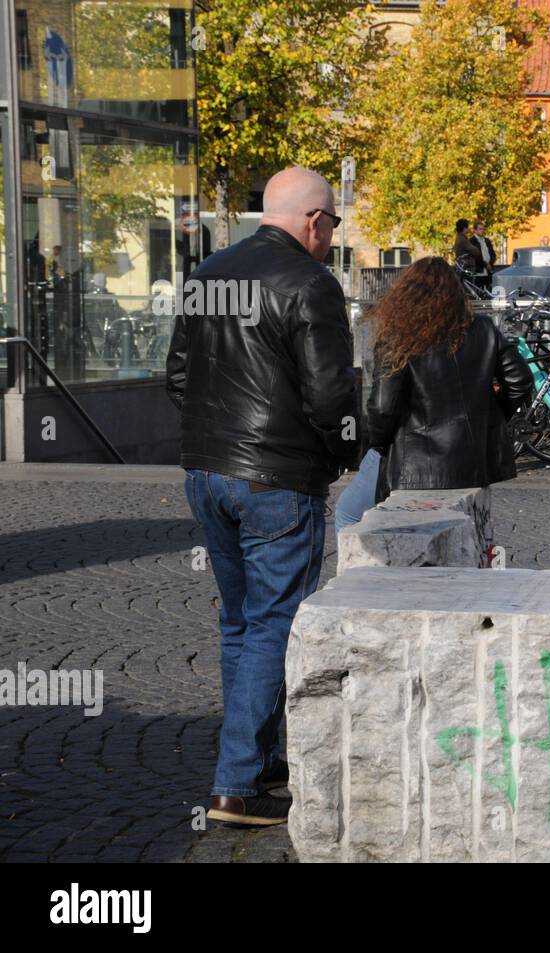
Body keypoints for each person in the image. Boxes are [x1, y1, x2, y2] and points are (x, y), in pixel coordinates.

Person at [166, 167, 357, 826]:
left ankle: (261, 758)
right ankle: (238, 783)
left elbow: (177, 377)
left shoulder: (208, 273)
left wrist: (216, 440)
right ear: (313, 220)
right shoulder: (311, 282)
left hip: (208, 472)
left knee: (241, 623)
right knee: (273, 623)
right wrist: (340, 453)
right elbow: (331, 395)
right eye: (332, 223)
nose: (331, 237)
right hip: (276, 477)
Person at [367, 257, 532, 497]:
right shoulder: (484, 328)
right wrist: (489, 417)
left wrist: (377, 443)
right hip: (473, 461)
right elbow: (520, 380)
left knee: (348, 510)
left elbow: (383, 406)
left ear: (405, 294)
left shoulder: (399, 335)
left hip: (415, 466)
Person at [473, 221, 497, 288]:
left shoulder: (487, 240)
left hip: (489, 271)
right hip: (479, 272)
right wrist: (485, 264)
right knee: (479, 290)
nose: (482, 231)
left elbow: (493, 254)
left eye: (483, 229)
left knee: (489, 290)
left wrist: (490, 263)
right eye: (480, 229)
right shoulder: (472, 241)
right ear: (475, 230)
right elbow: (475, 257)